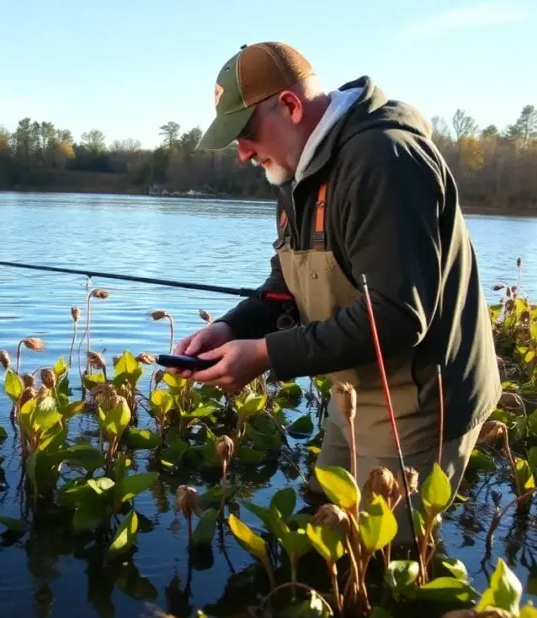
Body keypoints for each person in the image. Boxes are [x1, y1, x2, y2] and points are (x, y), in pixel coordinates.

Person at [174, 41, 501, 540]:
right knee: (321, 524)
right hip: (356, 388)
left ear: (289, 105)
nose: (241, 152)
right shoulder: (291, 169)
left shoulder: (384, 160)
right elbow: (288, 283)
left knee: (374, 559)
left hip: (418, 399)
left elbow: (396, 315)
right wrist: (231, 327)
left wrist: (264, 355)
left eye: (245, 132)